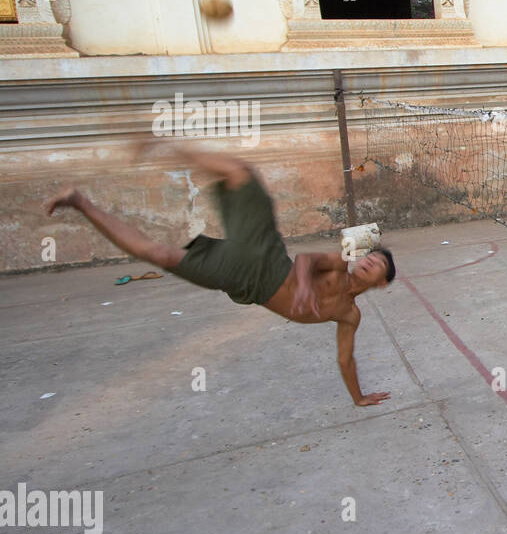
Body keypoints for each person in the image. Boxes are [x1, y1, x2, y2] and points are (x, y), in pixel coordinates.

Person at [44, 140, 395, 406]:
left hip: (244, 281)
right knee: (242, 173)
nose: (368, 261)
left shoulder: (349, 316)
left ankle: (80, 202)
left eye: (376, 265)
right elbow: (304, 261)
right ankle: (164, 145)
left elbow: (345, 359)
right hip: (267, 257)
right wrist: (302, 286)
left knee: (156, 254)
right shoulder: (338, 263)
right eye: (371, 257)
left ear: (380, 283)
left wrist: (359, 397)